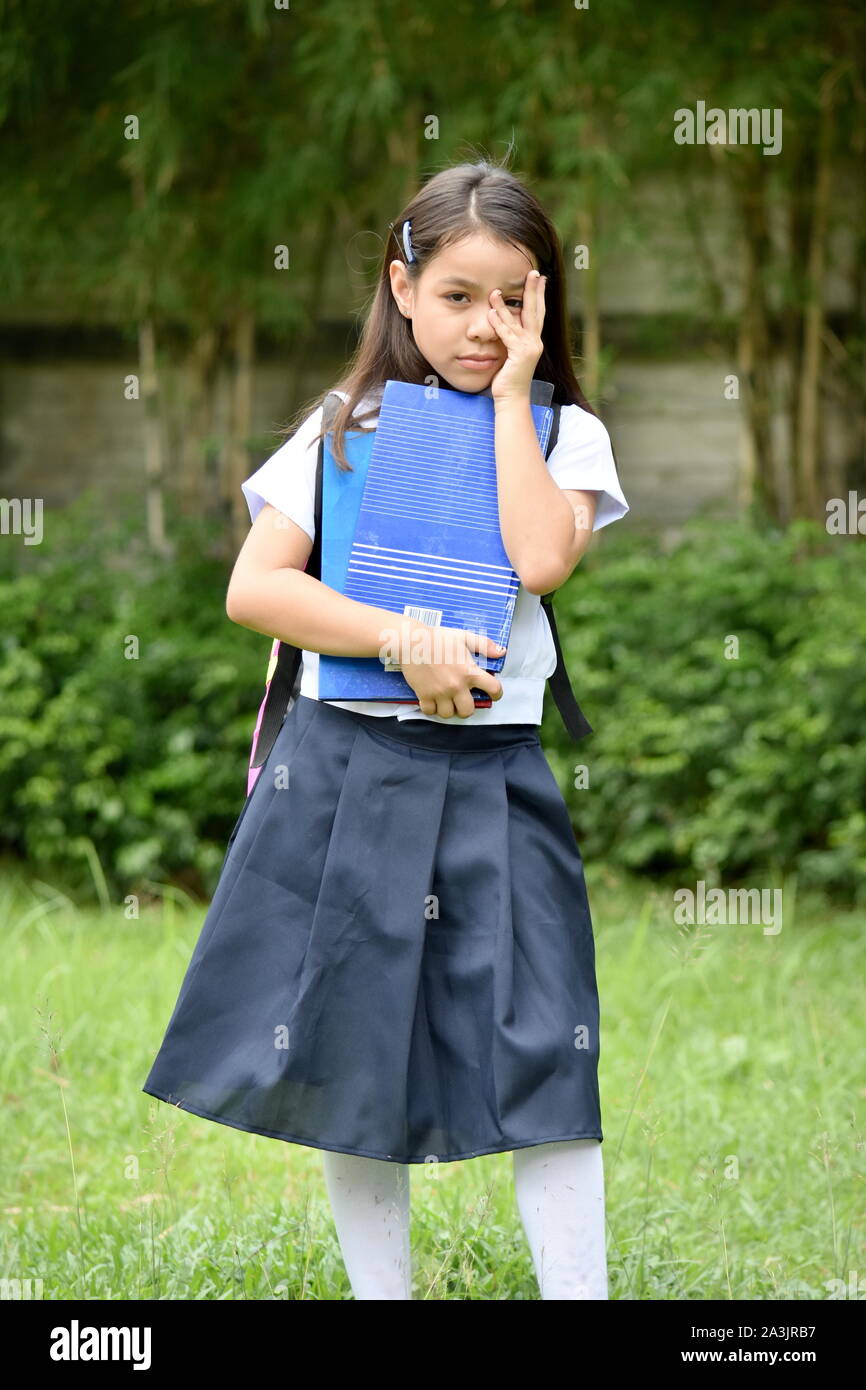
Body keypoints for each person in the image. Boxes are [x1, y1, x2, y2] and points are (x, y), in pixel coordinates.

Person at [142, 158, 629, 1300]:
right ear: (400, 288)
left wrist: (512, 398)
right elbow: (256, 590)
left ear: (545, 302)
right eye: (458, 295)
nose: (485, 323)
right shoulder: (340, 431)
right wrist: (396, 635)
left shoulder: (565, 434)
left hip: (497, 771)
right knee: (350, 1049)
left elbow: (540, 557)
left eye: (514, 297)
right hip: (349, 767)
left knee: (547, 1042)